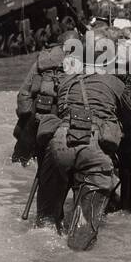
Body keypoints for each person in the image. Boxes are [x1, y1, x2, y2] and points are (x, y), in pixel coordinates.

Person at [36, 51, 131, 250]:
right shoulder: (114, 83)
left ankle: (45, 257)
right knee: (84, 231)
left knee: (45, 222)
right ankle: (78, 256)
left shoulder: (66, 80)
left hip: (61, 142)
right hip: (95, 149)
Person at [12, 16, 80, 166]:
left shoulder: (43, 61)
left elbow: (24, 93)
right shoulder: (81, 66)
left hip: (36, 117)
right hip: (61, 121)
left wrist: (24, 119)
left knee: (20, 161)